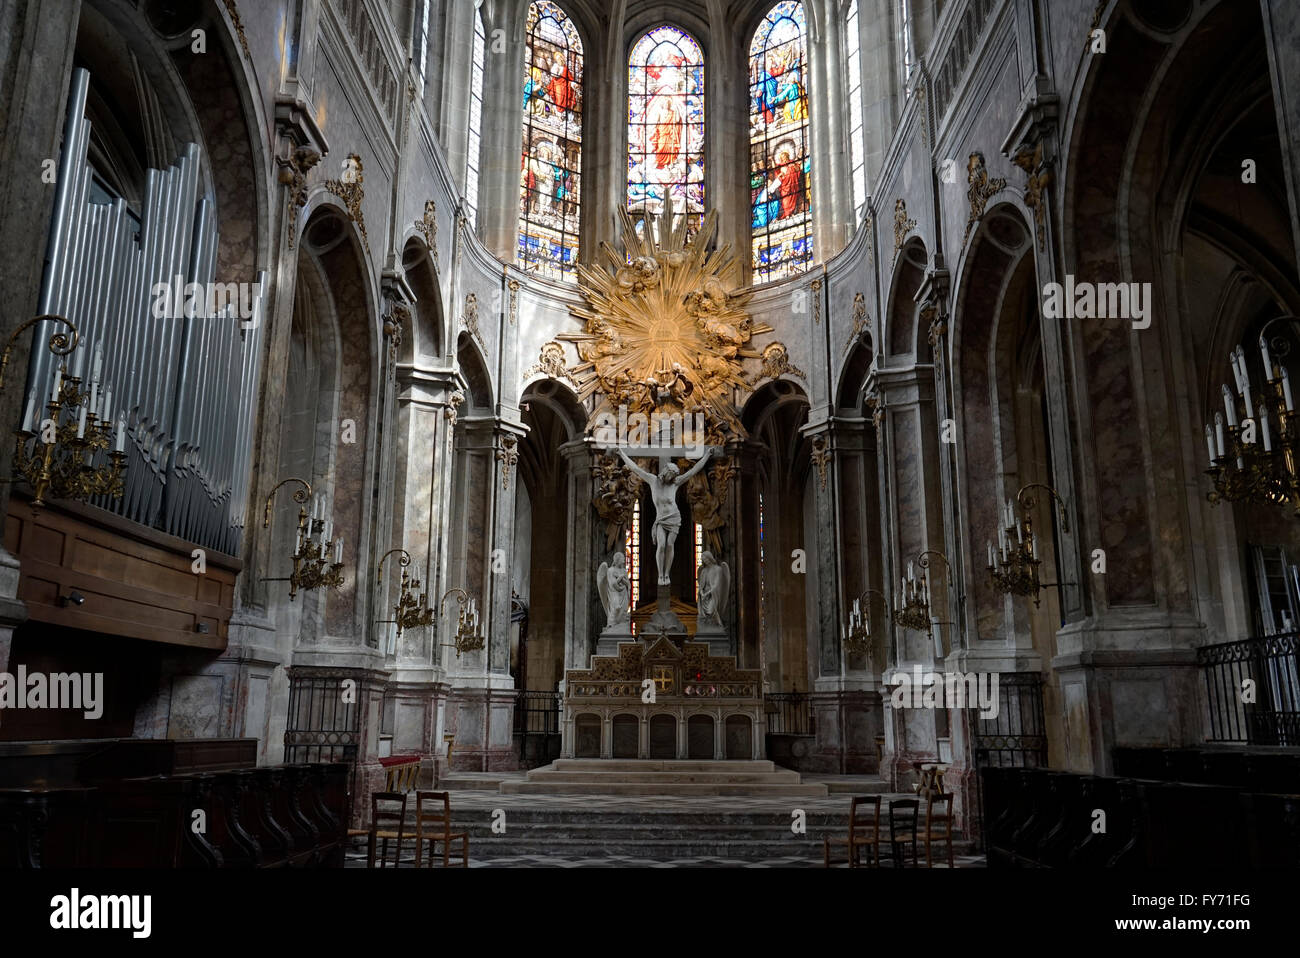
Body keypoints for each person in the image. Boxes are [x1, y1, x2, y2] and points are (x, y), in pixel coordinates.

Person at [618, 448, 713, 586]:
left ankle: (666, 574)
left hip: (674, 518)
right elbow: (636, 469)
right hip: (661, 520)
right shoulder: (652, 480)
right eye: (671, 475)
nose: (673, 478)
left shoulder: (675, 483)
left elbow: (693, 471)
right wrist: (622, 454)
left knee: (669, 544)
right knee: (661, 546)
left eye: (674, 476)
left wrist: (707, 456)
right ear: (666, 472)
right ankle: (660, 575)